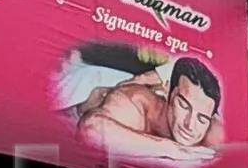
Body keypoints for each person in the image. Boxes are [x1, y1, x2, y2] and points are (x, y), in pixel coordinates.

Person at [77, 57, 223, 162]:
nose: (189, 125)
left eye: (202, 119)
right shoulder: (134, 101)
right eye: (184, 105)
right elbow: (90, 129)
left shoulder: (214, 132)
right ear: (167, 91)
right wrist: (168, 148)